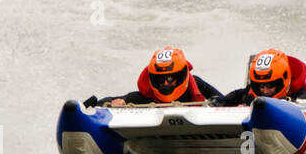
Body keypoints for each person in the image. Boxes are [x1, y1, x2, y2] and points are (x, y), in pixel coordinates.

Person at [91, 47, 221, 106]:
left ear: (181, 75)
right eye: (160, 79)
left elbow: (225, 100)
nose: (165, 83)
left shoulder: (195, 84)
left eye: (170, 79)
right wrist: (115, 103)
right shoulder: (146, 97)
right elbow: (110, 100)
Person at [211, 49, 306, 106]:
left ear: (282, 80)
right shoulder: (253, 90)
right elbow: (237, 94)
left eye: (270, 86)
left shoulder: (299, 90)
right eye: (261, 86)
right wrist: (220, 101)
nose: (265, 91)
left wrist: (285, 102)